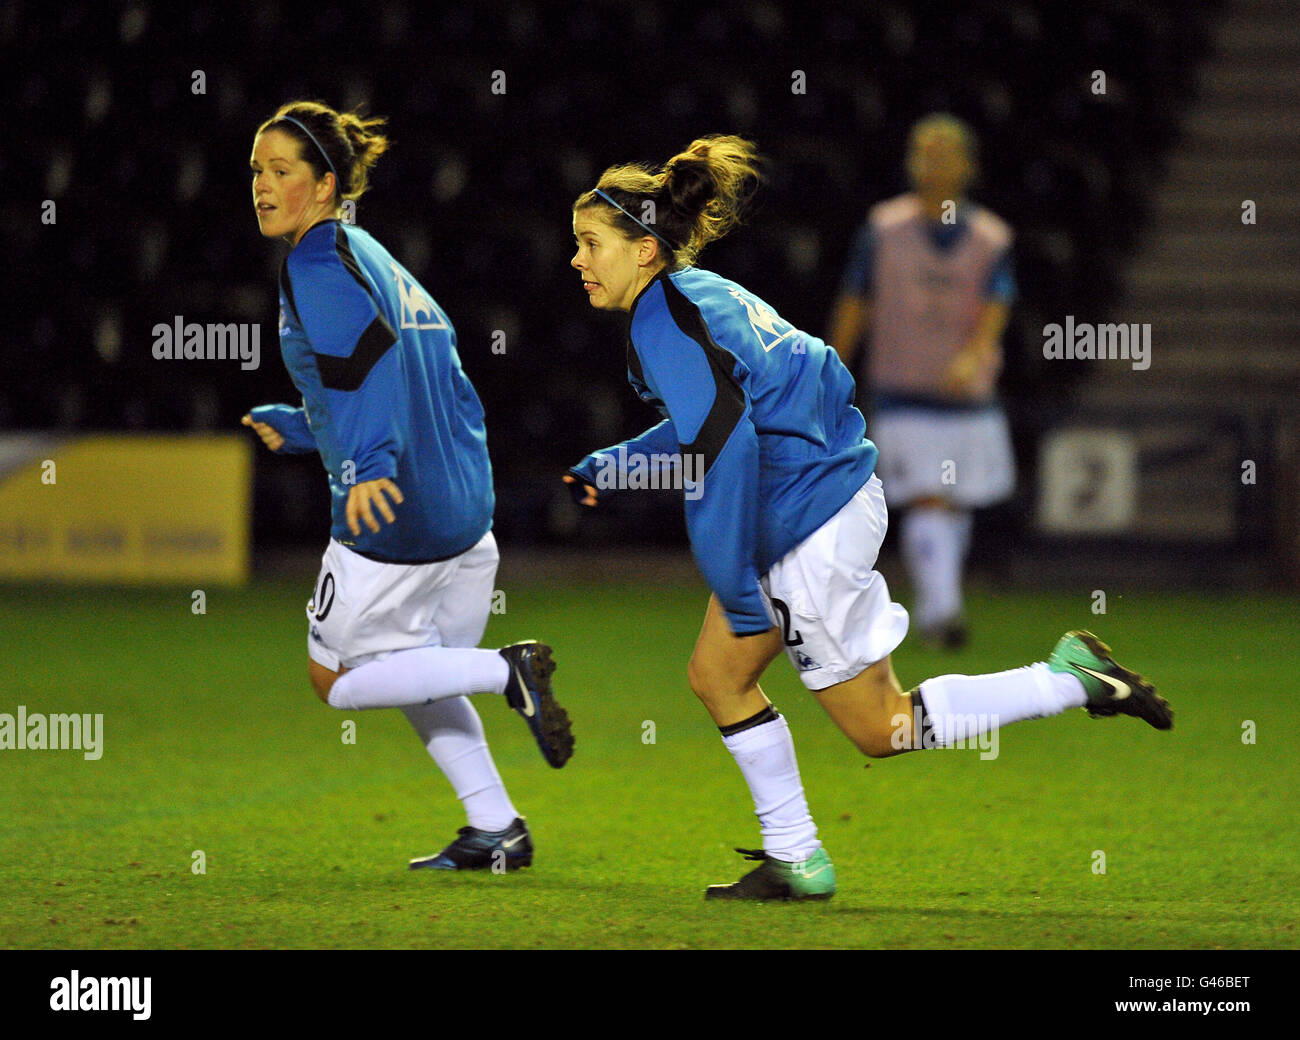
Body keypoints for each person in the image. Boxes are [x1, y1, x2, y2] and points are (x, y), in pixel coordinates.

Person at [565, 135, 1171, 902]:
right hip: (830, 497)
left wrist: (731, 575)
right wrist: (615, 464)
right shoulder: (702, 296)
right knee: (717, 677)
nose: (579, 261)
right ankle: (797, 859)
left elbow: (726, 451)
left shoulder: (662, 324)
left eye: (591, 244)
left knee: (881, 728)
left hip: (806, 523)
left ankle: (1066, 681)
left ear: (645, 249)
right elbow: (745, 402)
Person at [242, 100, 573, 873]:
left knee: (336, 679)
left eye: (281, 171)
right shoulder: (376, 257)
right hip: (462, 510)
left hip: (395, 516)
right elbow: (436, 375)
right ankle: (498, 829)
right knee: (419, 677)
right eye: (256, 170)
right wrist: (303, 427)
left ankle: (508, 671)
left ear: (324, 186)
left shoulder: (315, 263)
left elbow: (370, 363)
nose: (261, 185)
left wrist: (369, 466)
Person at [827, 113, 1016, 648]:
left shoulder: (989, 237)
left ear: (967, 164)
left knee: (953, 502)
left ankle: (938, 605)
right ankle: (944, 611)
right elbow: (854, 301)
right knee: (927, 497)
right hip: (903, 391)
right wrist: (832, 368)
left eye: (943, 152)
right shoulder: (884, 228)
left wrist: (974, 355)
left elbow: (997, 303)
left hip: (965, 398)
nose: (930, 162)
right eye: (921, 151)